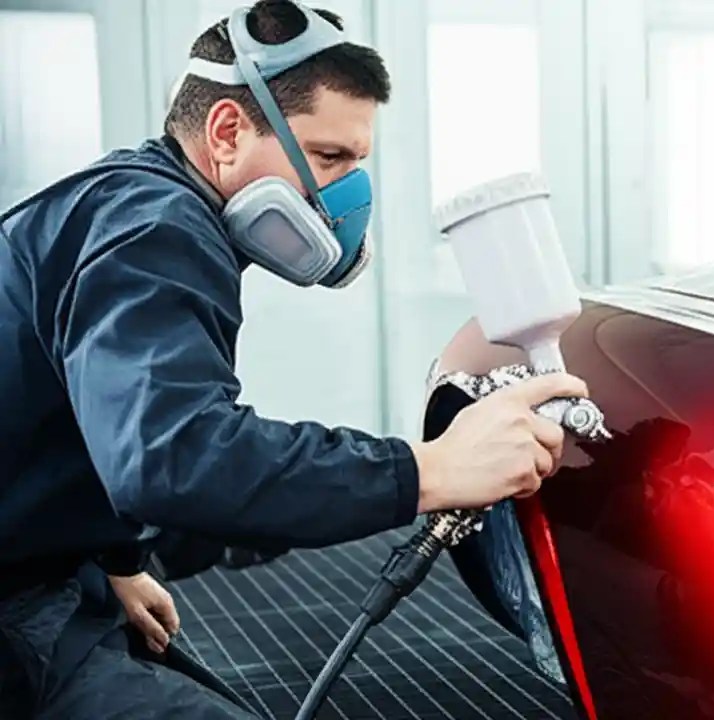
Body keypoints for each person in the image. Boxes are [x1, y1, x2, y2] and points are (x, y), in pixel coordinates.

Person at [0, 1, 586, 717]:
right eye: (329, 157)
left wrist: (118, 557)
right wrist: (428, 469)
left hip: (48, 565)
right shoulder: (156, 228)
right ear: (226, 132)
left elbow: (97, 429)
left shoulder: (127, 201)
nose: (345, 195)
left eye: (357, 163)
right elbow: (172, 459)